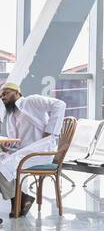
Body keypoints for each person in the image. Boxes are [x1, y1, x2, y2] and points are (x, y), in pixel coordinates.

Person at [0, 82, 67, 216]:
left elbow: (60, 104)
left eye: (5, 93)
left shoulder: (31, 101)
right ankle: (21, 198)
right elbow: (17, 141)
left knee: (2, 166)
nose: (2, 97)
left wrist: (50, 130)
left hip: (40, 152)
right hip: (24, 151)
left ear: (17, 92)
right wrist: (5, 146)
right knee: (1, 161)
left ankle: (19, 200)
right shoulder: (13, 114)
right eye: (1, 96)